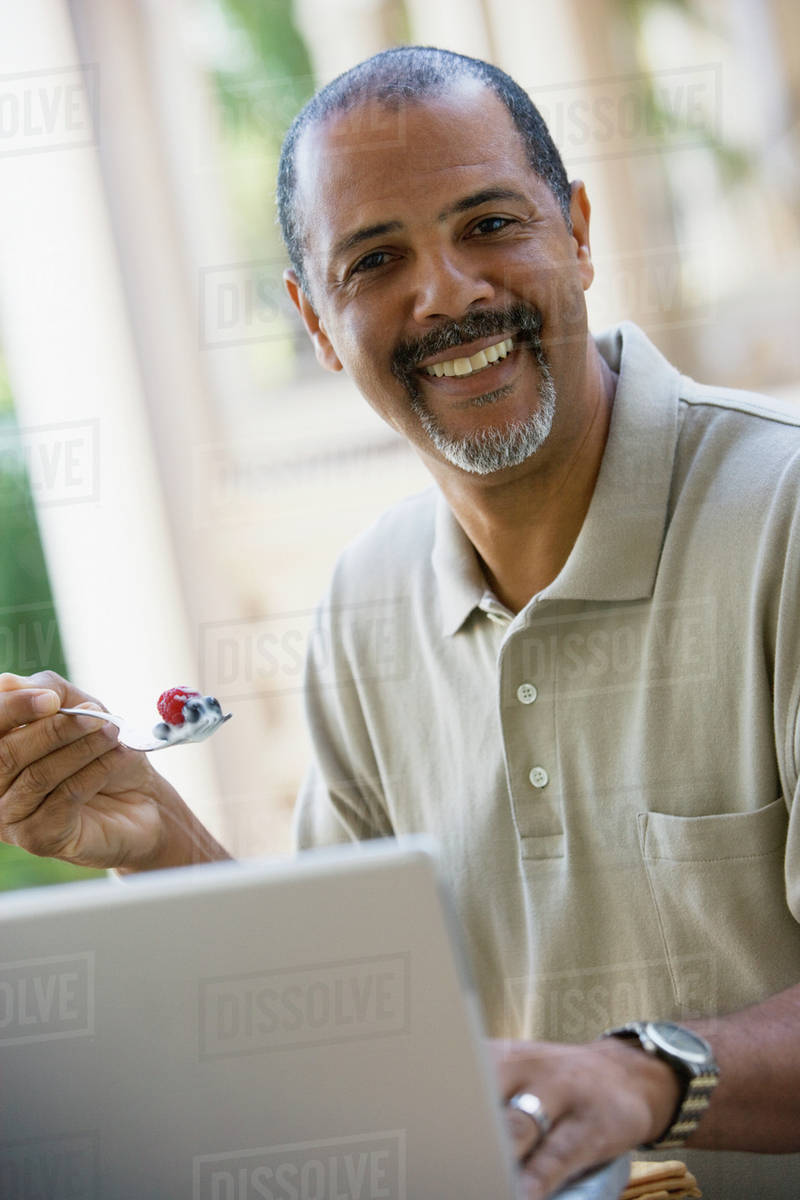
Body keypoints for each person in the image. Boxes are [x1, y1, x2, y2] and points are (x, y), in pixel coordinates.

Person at [1, 45, 799, 1200]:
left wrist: (643, 1078)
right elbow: (350, 1032)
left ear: (575, 231)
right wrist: (158, 837)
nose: (447, 293)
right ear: (316, 322)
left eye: (487, 225)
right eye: (375, 260)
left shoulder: (781, 515)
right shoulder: (362, 604)